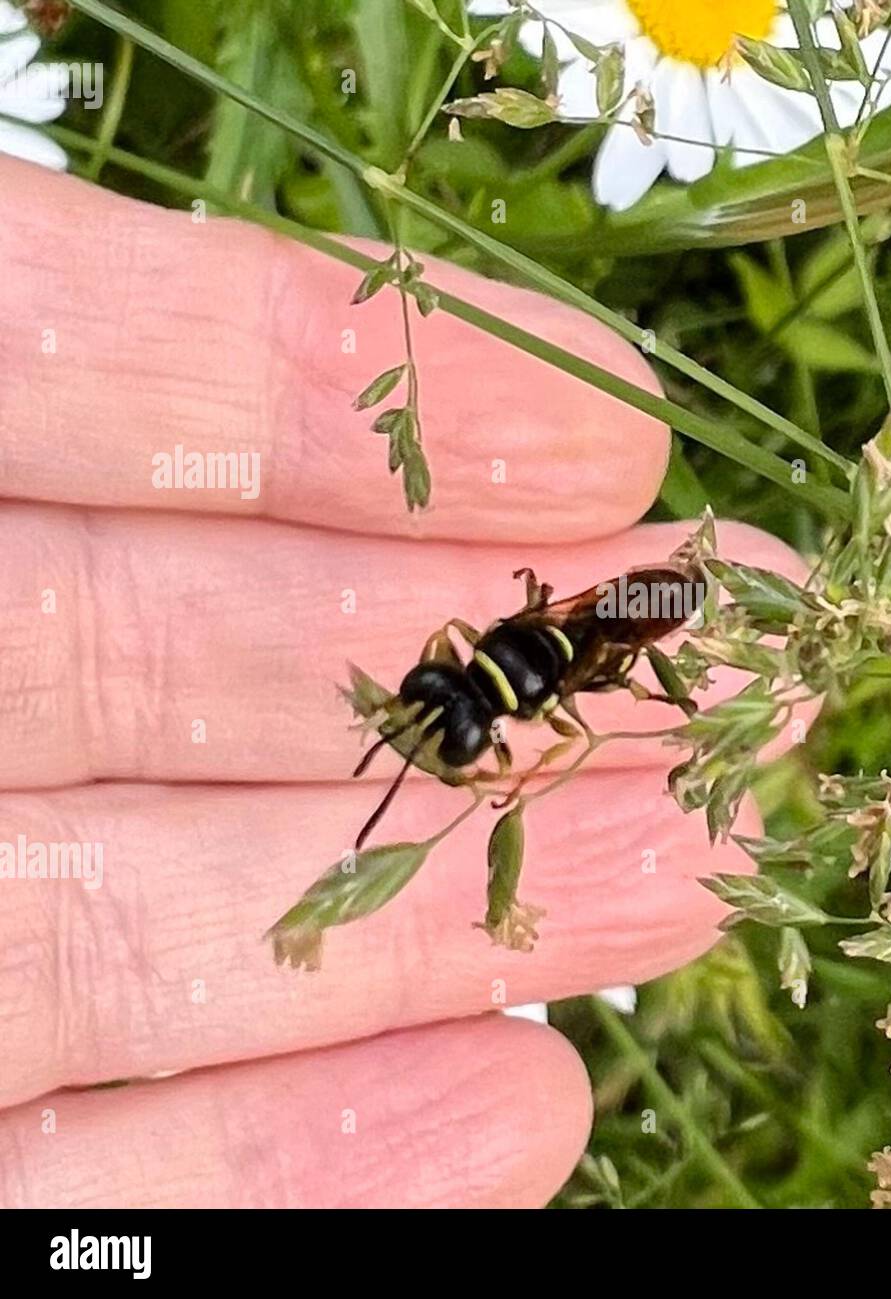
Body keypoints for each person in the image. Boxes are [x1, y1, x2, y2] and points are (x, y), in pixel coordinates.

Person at [0, 156, 802, 1207]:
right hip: (570, 636)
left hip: (600, 635)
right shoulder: (505, 655)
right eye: (443, 727)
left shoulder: (531, 674)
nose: (442, 731)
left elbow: (531, 677)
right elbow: (501, 646)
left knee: (637, 662)